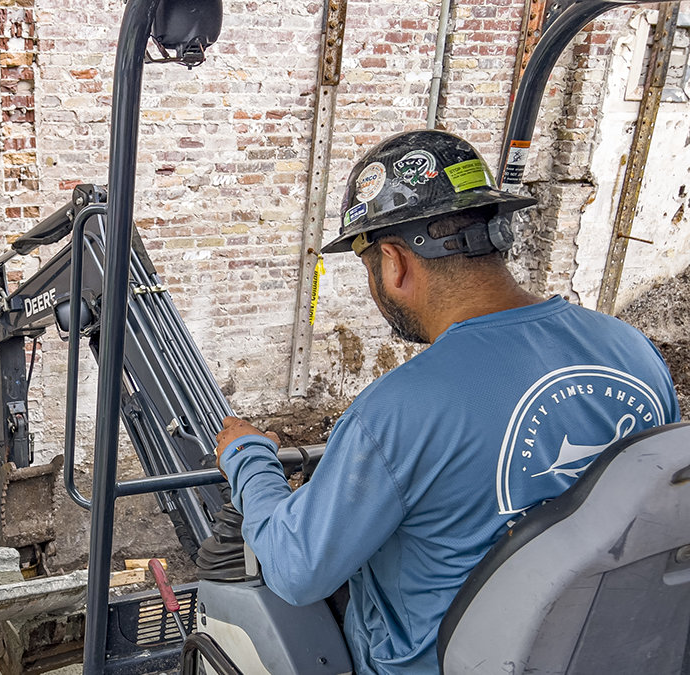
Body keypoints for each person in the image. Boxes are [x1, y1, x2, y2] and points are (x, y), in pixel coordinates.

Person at [213, 129, 681, 674]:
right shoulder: (632, 350)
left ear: (393, 262)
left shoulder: (401, 409)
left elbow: (297, 570)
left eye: (369, 270)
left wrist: (249, 460)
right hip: (607, 649)